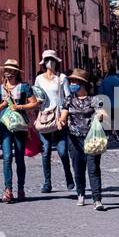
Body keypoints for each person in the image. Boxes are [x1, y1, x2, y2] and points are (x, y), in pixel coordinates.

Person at [0, 58, 38, 204]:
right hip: (5, 126)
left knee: (19, 158)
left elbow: (34, 103)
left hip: (19, 126)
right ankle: (8, 189)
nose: (8, 73)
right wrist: (4, 104)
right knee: (7, 157)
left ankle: (21, 188)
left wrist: (20, 107)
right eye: (6, 71)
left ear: (16, 73)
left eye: (11, 71)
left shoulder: (24, 87)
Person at [64, 67, 107, 210]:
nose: (72, 84)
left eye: (75, 82)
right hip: (74, 139)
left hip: (92, 139)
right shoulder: (68, 99)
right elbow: (63, 115)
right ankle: (80, 193)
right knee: (78, 168)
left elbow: (103, 112)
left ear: (83, 84)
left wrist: (101, 115)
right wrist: (60, 121)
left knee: (93, 168)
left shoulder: (94, 99)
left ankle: (97, 199)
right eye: (71, 82)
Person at [34, 50, 74, 194]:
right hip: (45, 118)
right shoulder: (39, 79)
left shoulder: (62, 78)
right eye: (47, 59)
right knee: (45, 153)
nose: (50, 62)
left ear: (56, 61)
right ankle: (47, 183)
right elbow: (36, 96)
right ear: (44, 62)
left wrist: (64, 116)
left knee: (62, 151)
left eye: (52, 59)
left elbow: (68, 98)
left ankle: (68, 176)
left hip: (59, 119)